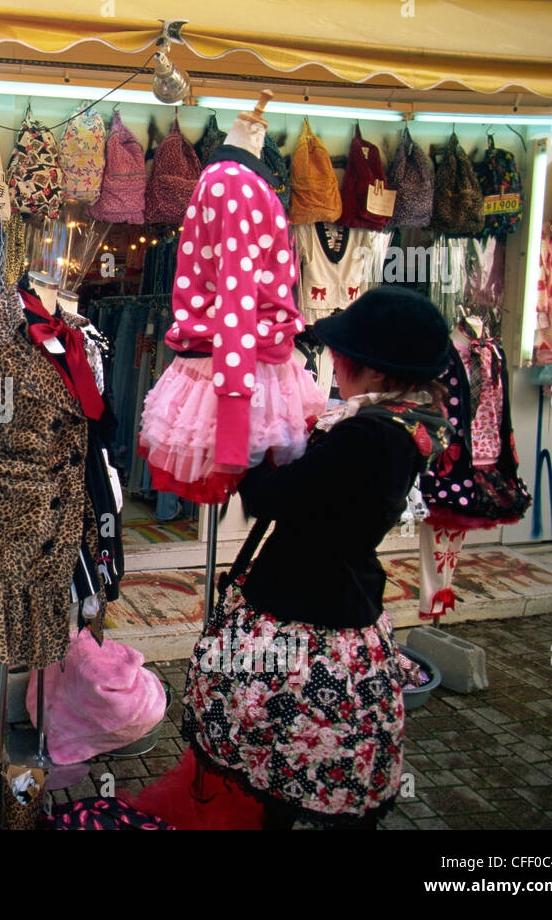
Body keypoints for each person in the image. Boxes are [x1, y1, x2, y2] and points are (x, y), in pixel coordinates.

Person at [181, 286, 453, 829]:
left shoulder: (369, 437)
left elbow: (273, 499)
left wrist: (247, 446)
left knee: (284, 757)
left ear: (375, 372)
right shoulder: (403, 424)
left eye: (345, 356)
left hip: (310, 612)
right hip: (335, 598)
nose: (336, 363)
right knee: (290, 761)